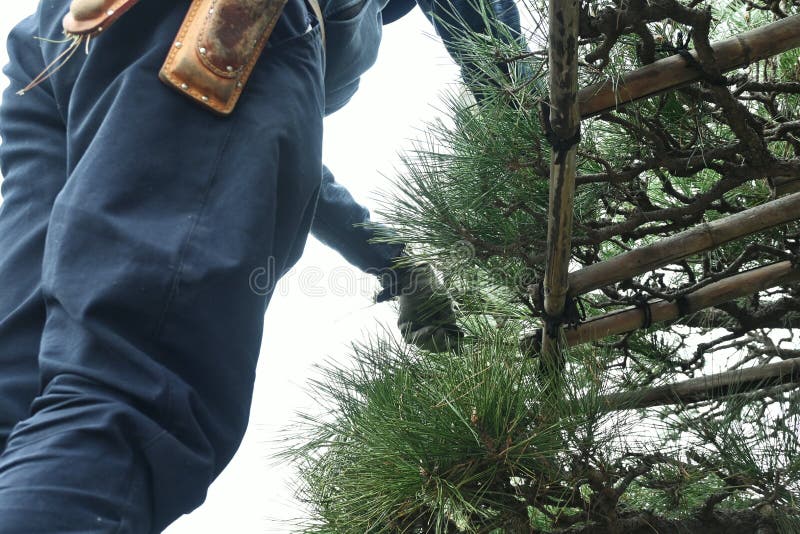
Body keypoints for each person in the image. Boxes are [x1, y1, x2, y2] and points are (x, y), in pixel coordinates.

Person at [0, 0, 526, 530]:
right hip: (218, 22)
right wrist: (525, 145)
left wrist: (399, 267)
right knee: (132, 393)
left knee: (16, 396)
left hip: (56, 49)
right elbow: (487, 29)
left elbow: (236, 144)